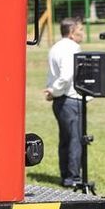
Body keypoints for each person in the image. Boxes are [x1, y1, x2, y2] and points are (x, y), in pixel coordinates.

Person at [43, 17, 85, 187]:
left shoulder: (55, 48)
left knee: (65, 139)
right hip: (71, 99)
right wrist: (55, 90)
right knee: (75, 139)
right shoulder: (72, 48)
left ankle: (65, 175)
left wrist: (53, 91)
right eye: (80, 30)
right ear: (71, 32)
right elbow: (67, 75)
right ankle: (73, 178)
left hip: (60, 102)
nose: (82, 33)